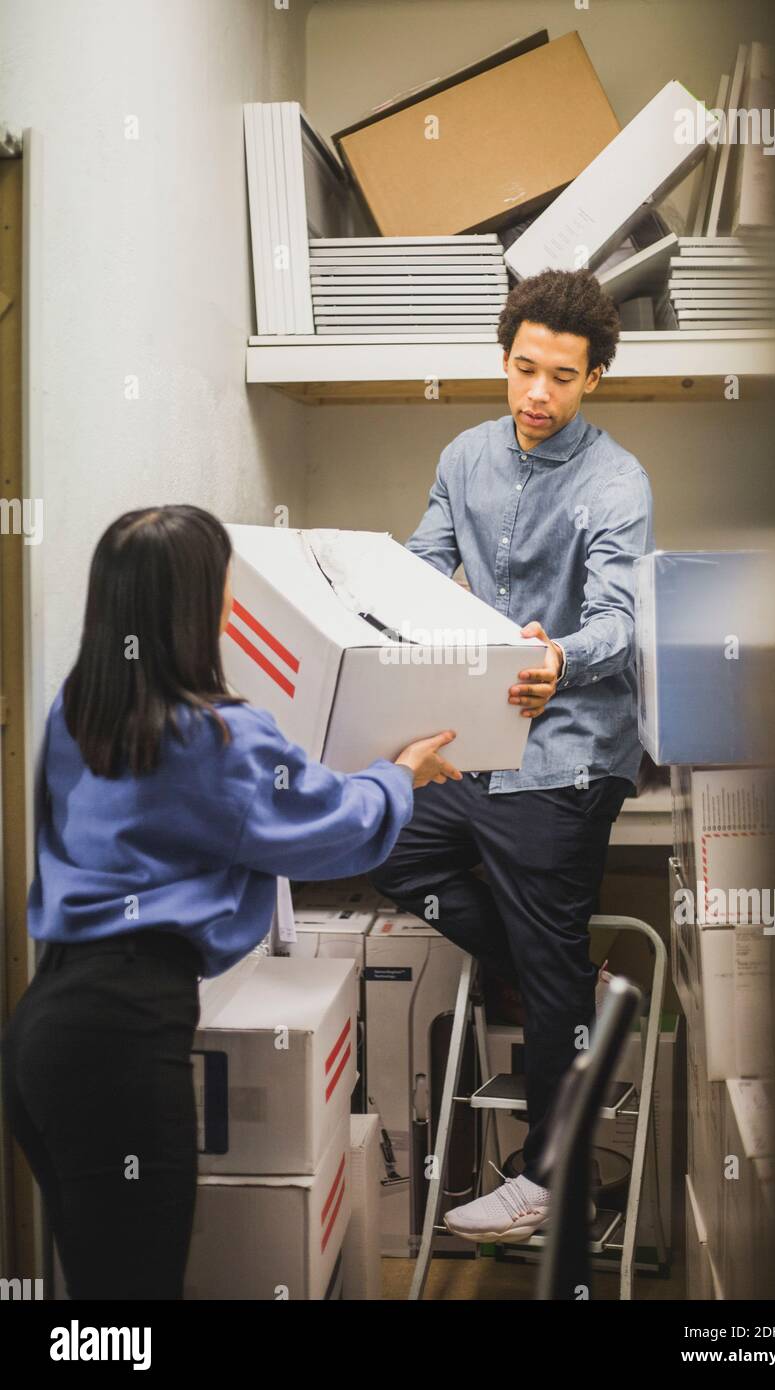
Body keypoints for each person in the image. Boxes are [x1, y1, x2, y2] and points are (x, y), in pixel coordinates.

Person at [0, 504, 462, 1300]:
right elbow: (336, 831)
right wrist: (400, 774)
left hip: (44, 1030)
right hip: (125, 1038)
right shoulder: (215, 737)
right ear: (201, 603)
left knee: (99, 1300)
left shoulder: (79, 712)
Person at [368, 268, 654, 1243]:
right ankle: (559, 977)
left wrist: (554, 655)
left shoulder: (616, 482)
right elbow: (419, 558)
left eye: (561, 377)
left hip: (570, 747)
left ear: (594, 379)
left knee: (542, 944)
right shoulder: (464, 453)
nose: (537, 394)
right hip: (480, 743)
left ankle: (541, 1179)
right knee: (385, 839)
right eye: (523, 370)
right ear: (503, 360)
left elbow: (621, 622)